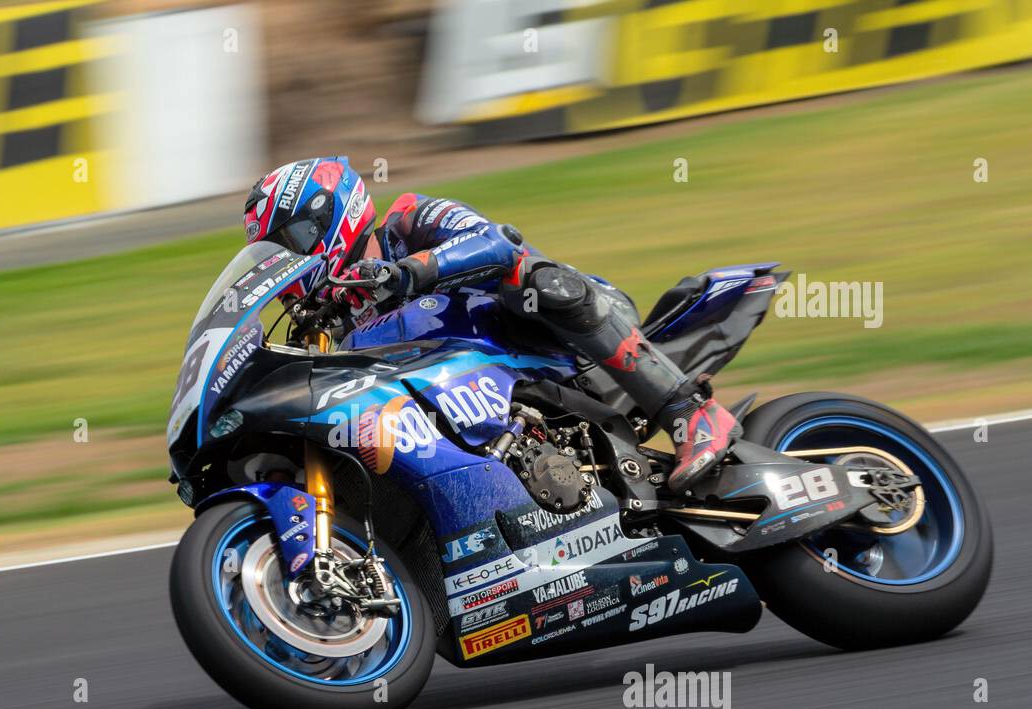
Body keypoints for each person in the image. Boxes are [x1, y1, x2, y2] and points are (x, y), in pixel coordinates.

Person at [242, 156, 736, 493]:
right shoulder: (330, 327)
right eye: (275, 252)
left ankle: (689, 411)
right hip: (486, 403)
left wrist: (411, 272)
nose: (290, 259)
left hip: (561, 337)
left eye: (294, 239)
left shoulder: (408, 221)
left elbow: (499, 242)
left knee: (530, 276)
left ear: (335, 214)